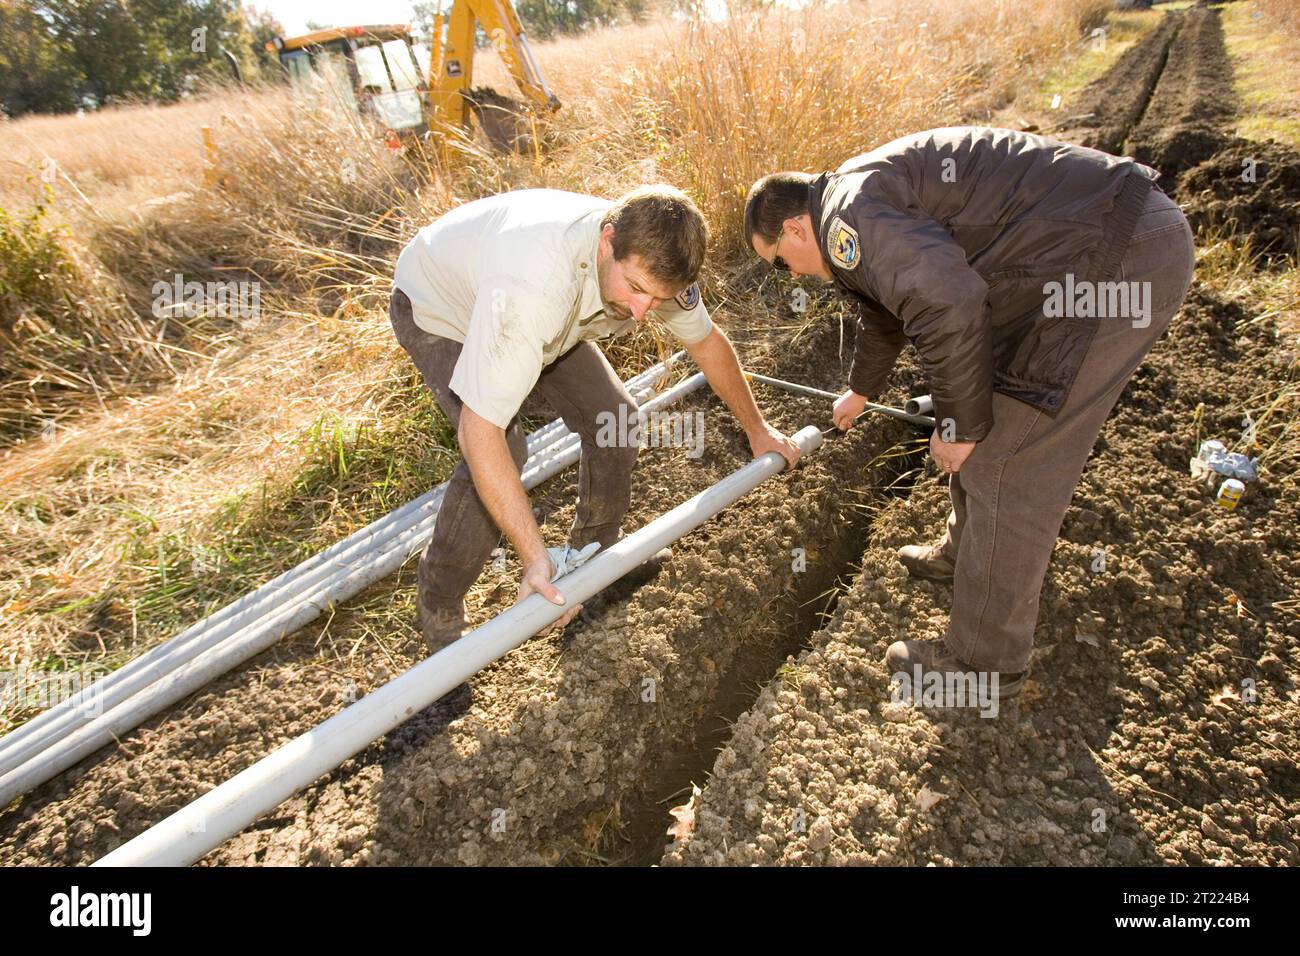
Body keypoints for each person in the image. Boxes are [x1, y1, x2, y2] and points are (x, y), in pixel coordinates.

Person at [744, 127, 1195, 700]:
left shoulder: (847, 218)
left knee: (1006, 460)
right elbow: (887, 308)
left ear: (792, 228)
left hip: (1116, 258)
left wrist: (957, 426)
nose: (791, 274)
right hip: (1080, 257)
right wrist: (861, 389)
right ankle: (966, 554)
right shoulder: (849, 202)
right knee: (988, 433)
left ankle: (987, 665)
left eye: (780, 263)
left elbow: (949, 303)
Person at [391, 184, 802, 653]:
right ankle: (440, 606)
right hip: (442, 310)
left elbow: (707, 342)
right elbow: (478, 431)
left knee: (617, 419)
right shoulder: (535, 286)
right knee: (503, 446)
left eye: (657, 298)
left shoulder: (651, 261)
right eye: (637, 290)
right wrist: (533, 559)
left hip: (540, 312)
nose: (643, 311)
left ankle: (593, 561)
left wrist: (757, 428)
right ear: (607, 241)